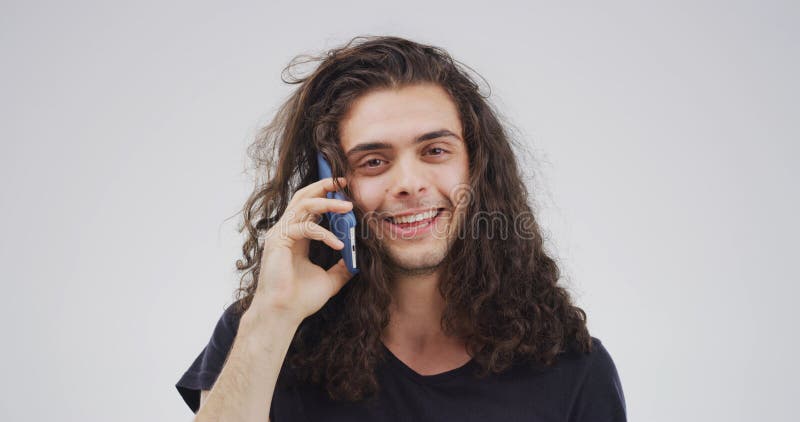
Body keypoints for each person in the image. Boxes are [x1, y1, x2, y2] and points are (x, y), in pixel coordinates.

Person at [175, 35, 627, 421]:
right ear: (330, 186)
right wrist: (272, 316)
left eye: (434, 151)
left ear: (477, 170)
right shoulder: (264, 334)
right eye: (373, 162)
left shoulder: (574, 369)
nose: (409, 184)